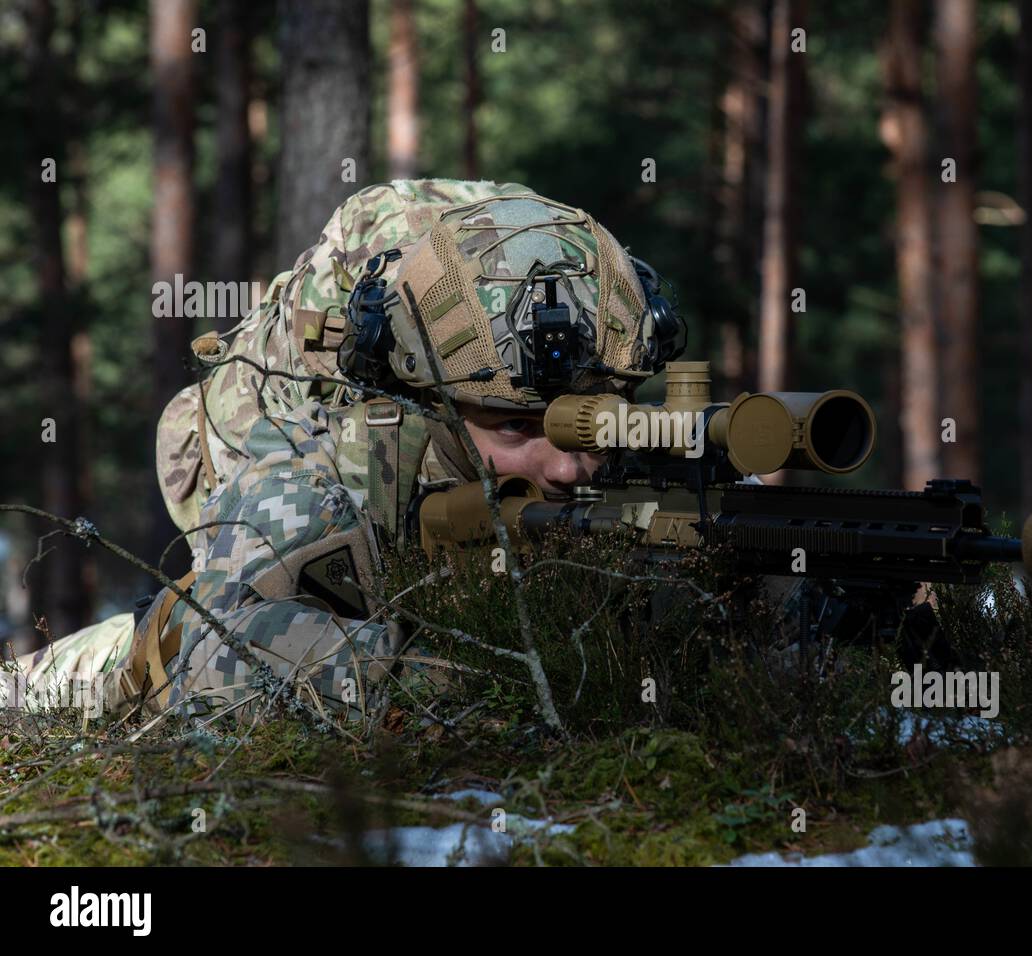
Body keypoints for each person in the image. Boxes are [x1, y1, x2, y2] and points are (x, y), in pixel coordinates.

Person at [4, 178, 681, 724]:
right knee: (176, 637)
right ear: (430, 408)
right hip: (266, 412)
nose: (567, 467)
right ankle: (17, 687)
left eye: (590, 418)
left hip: (462, 299)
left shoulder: (582, 320)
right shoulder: (328, 455)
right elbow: (220, 655)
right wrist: (467, 687)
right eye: (514, 428)